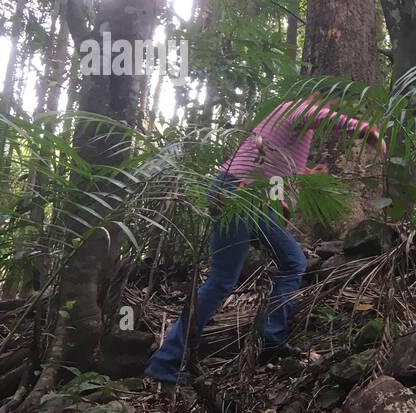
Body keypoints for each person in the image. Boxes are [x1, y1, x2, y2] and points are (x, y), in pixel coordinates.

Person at [145, 95, 382, 387]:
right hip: (238, 195)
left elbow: (277, 170)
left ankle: (269, 341)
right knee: (221, 281)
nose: (327, 105)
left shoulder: (290, 133)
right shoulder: (292, 110)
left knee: (292, 262)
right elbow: (320, 116)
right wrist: (363, 129)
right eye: (324, 99)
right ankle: (165, 361)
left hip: (250, 201)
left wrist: (307, 173)